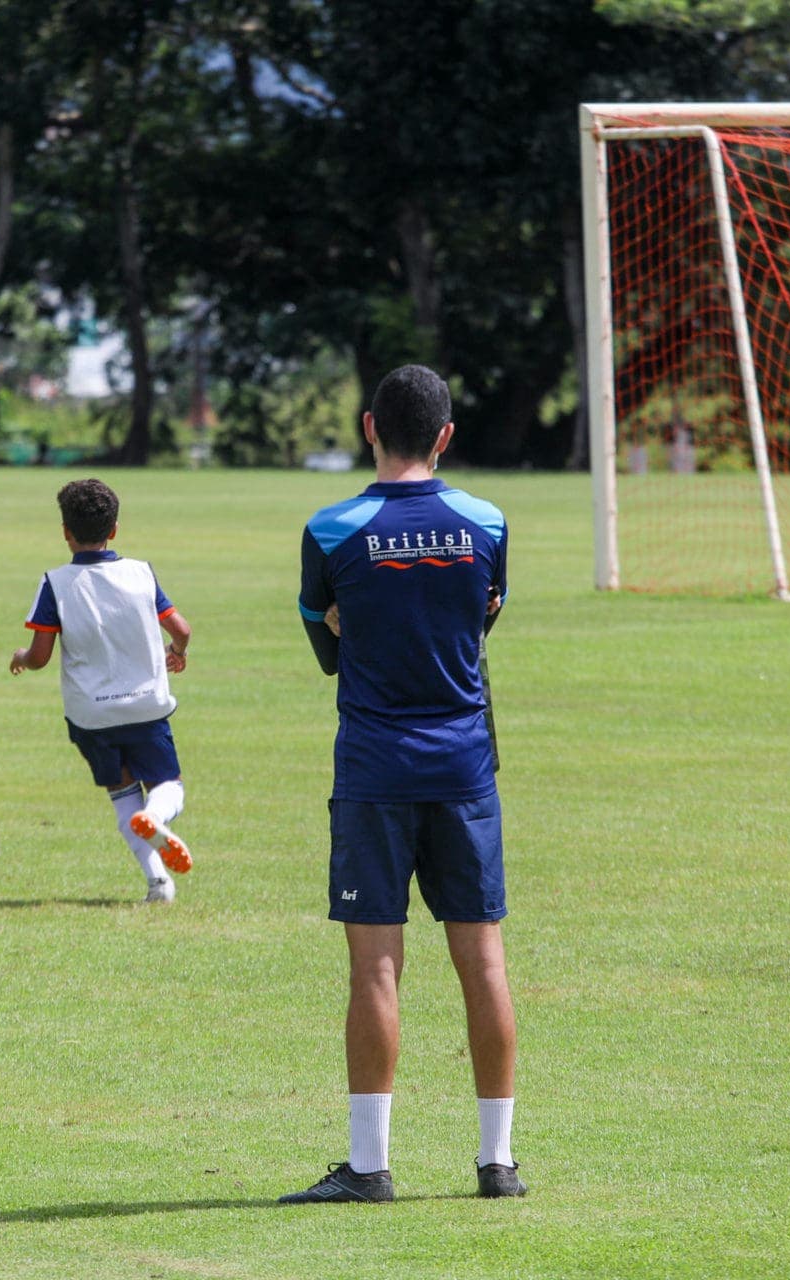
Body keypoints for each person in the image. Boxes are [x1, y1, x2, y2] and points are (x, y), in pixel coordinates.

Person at [279, 364, 523, 1204]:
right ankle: (498, 1164)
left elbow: (327, 647)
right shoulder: (485, 521)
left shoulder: (330, 529)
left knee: (376, 968)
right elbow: (482, 618)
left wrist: (364, 630)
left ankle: (370, 1167)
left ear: (368, 425)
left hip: (376, 768)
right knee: (483, 961)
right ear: (447, 436)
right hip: (464, 766)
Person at [8, 479, 195, 903]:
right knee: (169, 784)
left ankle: (158, 882)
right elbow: (181, 628)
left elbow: (39, 656)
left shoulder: (55, 583)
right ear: (114, 529)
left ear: (65, 532)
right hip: (145, 706)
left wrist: (21, 655)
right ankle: (156, 815)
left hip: (91, 716)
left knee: (121, 792)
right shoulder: (141, 573)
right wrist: (177, 652)